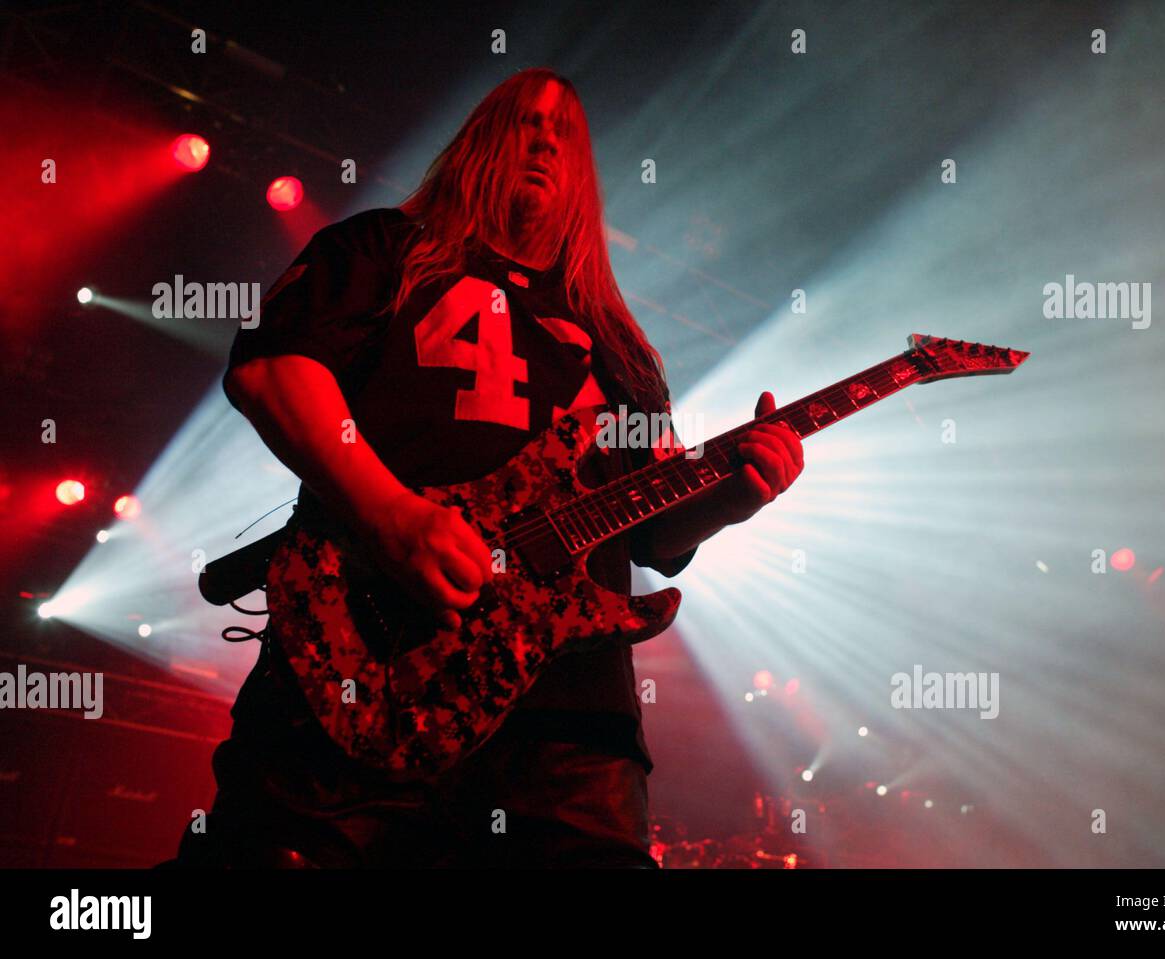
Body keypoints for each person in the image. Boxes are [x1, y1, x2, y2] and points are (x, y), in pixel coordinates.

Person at [173, 67, 803, 868]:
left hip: (569, 726)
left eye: (564, 133)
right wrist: (391, 515)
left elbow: (650, 535)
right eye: (525, 122)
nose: (544, 140)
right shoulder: (381, 249)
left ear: (582, 176)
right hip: (367, 659)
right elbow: (273, 370)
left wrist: (732, 499)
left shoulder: (620, 348)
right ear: (477, 141)